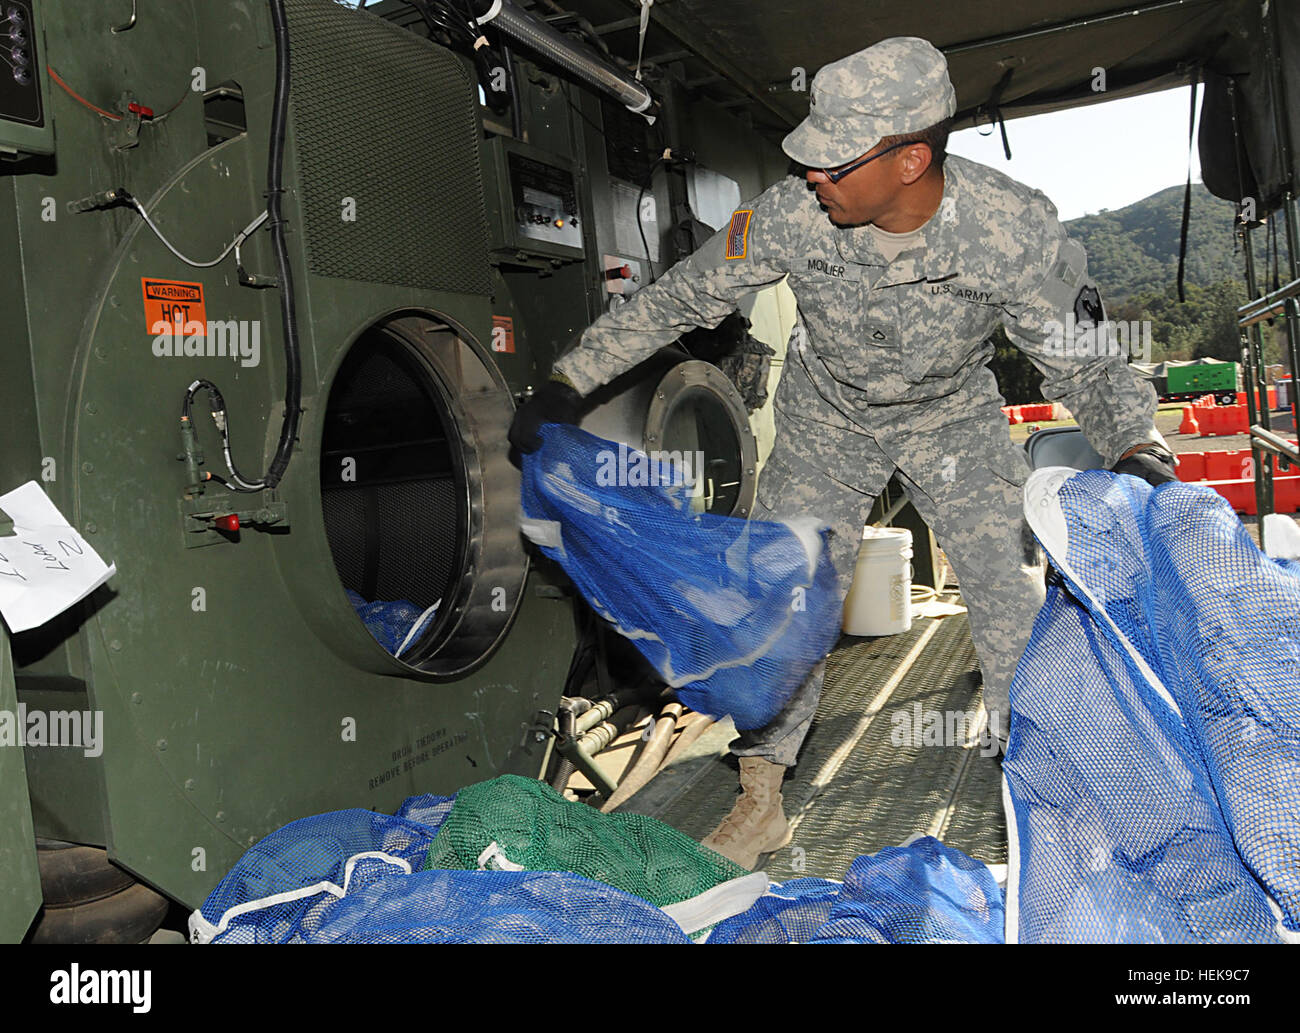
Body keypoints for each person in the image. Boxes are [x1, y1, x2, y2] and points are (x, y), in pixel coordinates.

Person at [509, 37, 1176, 869]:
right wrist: (571, 380)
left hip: (951, 420)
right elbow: (682, 295)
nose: (814, 176)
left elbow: (1086, 361)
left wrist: (1136, 441)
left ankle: (1039, 787)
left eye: (834, 162)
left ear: (909, 160)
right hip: (829, 422)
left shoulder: (1012, 228)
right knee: (783, 606)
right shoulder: (790, 213)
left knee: (1010, 600)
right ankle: (760, 802)